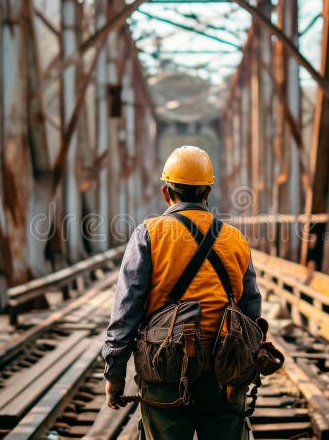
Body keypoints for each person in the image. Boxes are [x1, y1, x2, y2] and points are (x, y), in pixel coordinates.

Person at [102, 145, 262, 439]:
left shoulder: (148, 233)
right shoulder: (235, 238)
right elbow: (251, 310)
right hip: (224, 373)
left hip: (166, 371)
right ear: (207, 193)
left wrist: (114, 373)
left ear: (166, 192)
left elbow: (126, 310)